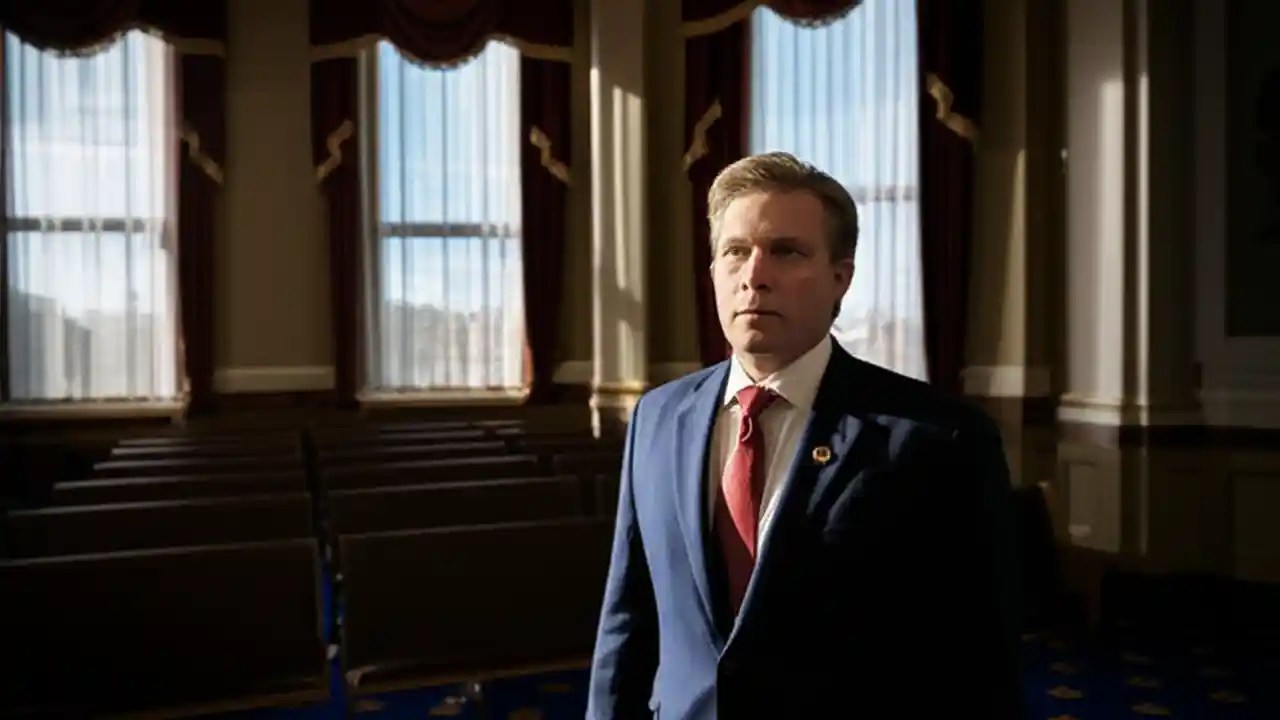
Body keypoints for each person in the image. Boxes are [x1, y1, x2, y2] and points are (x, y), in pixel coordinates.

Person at [586, 152, 1023, 718]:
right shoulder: (657, 417)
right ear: (714, 270)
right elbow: (628, 619)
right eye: (735, 252)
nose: (754, 275)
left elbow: (978, 662)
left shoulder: (940, 437)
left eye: (786, 251)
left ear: (840, 277)